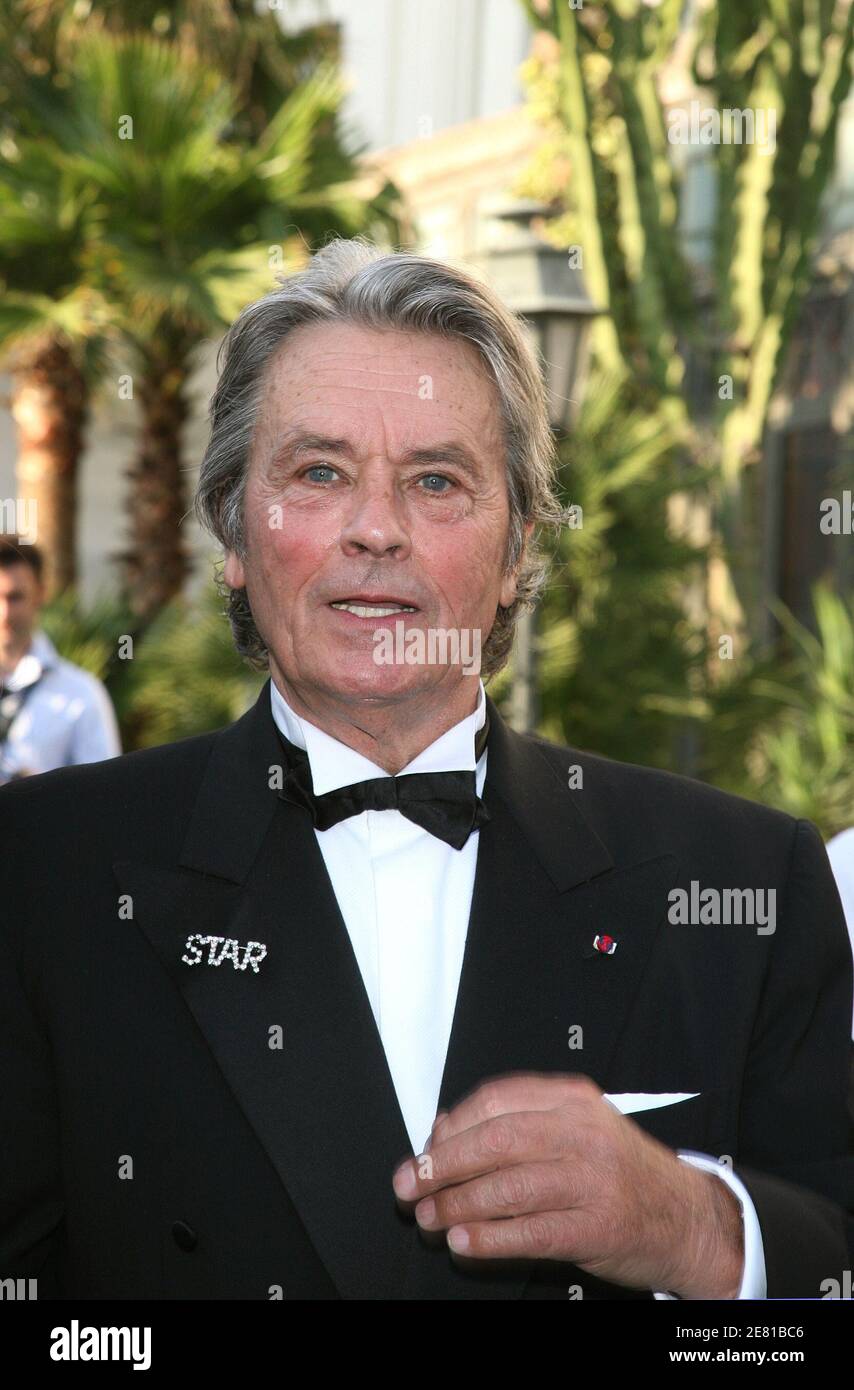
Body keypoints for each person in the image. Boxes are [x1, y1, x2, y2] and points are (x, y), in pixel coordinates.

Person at [0, 239, 851, 1301]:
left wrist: (689, 1227)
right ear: (231, 528)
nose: (373, 530)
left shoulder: (743, 882)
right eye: (319, 472)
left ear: (513, 552)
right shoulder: (47, 873)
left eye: (435, 481)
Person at [0, 538, 120, 785]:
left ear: (41, 594)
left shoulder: (82, 693)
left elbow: (102, 793)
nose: (4, 613)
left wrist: (39, 792)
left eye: (16, 597)